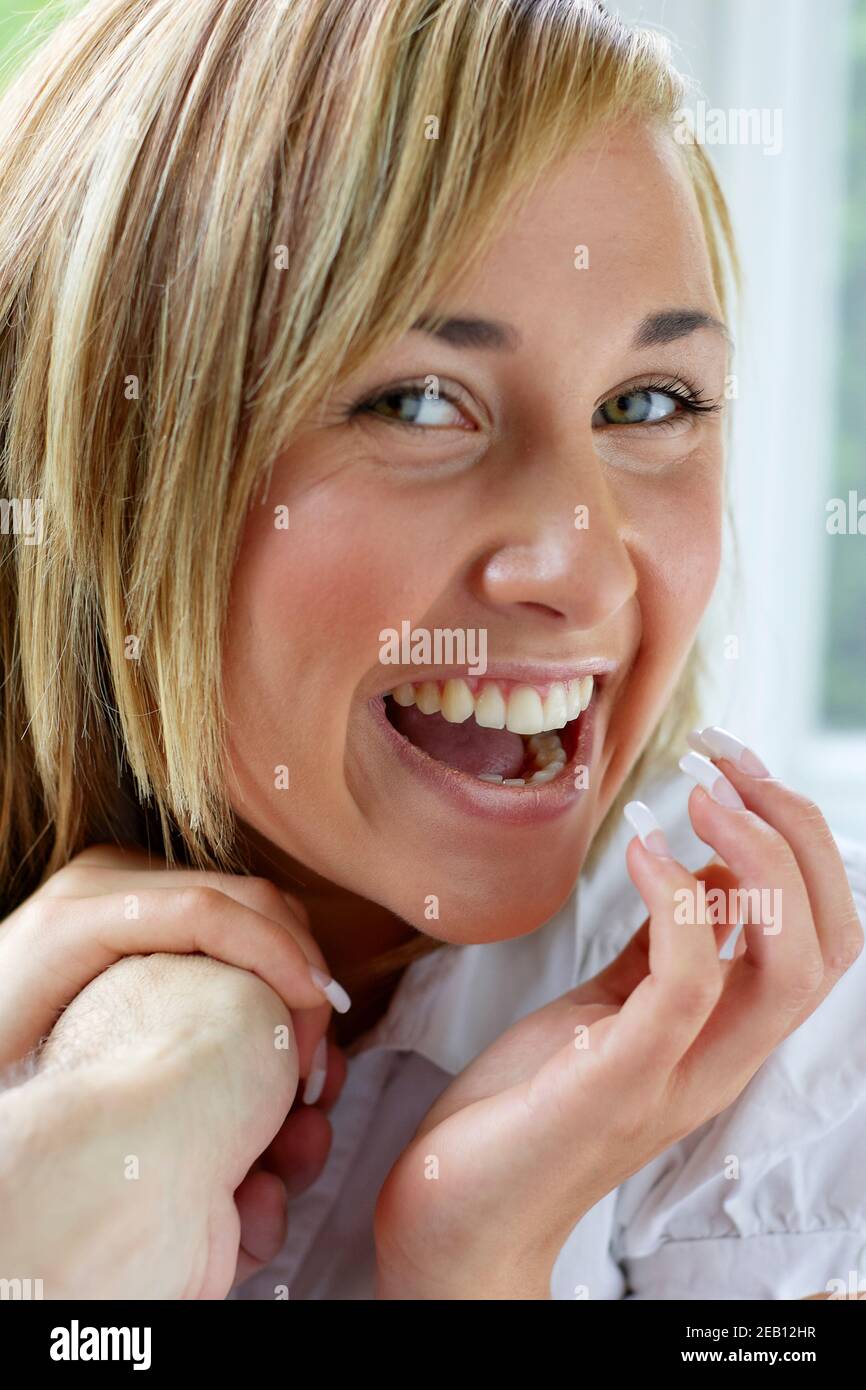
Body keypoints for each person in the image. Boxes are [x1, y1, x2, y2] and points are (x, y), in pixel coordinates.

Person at [0, 0, 863, 1300]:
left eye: (647, 403)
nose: (579, 568)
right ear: (109, 457)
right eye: (416, 402)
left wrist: (477, 1259)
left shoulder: (796, 1055)